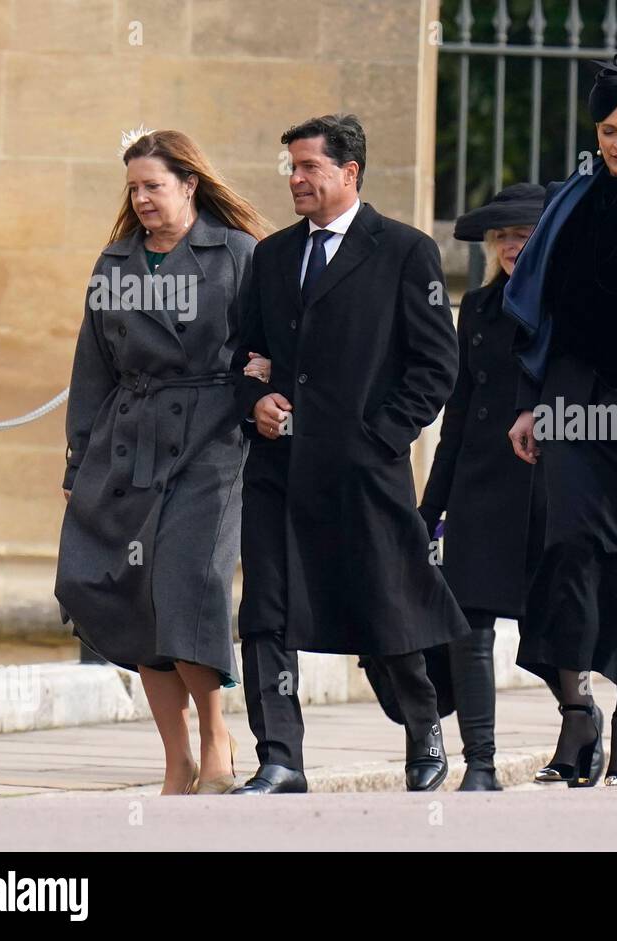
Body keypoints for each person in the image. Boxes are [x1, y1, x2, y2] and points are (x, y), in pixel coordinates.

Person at [230, 113, 468, 794]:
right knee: (266, 614)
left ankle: (423, 726)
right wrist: (256, 403)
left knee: (383, 607)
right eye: (292, 168)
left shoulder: (404, 251)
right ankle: (281, 757)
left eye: (308, 167)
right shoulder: (271, 255)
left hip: (364, 472)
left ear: (349, 172)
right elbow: (242, 357)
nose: (296, 180)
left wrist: (378, 440)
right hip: (278, 471)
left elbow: (434, 366)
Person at [57, 129, 267, 795]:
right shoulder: (114, 264)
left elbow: (272, 341)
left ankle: (216, 738)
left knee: (189, 584)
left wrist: (263, 374)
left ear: (189, 184)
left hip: (210, 442)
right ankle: (176, 756)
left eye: (153, 185)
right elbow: (91, 371)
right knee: (131, 596)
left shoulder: (237, 254)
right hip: (127, 441)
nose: (142, 198)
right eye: (134, 188)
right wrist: (78, 464)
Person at [504, 53, 617, 787]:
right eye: (608, 130)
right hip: (572, 391)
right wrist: (532, 402)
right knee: (565, 543)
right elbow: (544, 306)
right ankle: (577, 711)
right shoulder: (572, 199)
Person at [414, 183, 548, 791]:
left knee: (557, 626)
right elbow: (459, 410)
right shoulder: (478, 308)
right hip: (478, 485)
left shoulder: (566, 305)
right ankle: (481, 762)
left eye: (526, 235)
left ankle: (581, 721)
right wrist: (431, 506)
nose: (514, 246)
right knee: (469, 627)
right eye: (504, 238)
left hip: (547, 485)